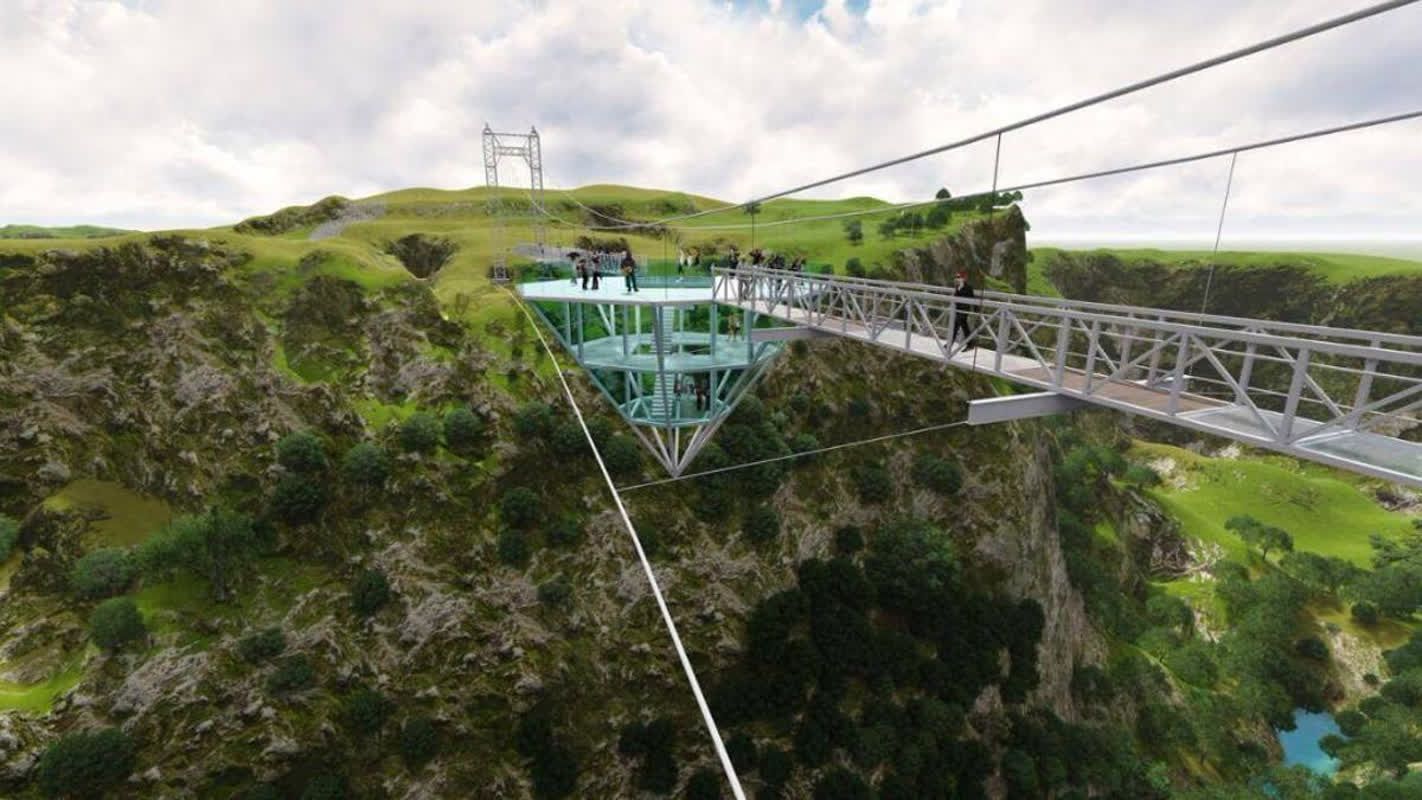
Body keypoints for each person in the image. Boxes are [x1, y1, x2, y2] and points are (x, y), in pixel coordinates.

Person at [952, 270, 976, 347]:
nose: (957, 279)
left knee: (956, 327)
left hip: (964, 310)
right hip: (958, 310)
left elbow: (972, 298)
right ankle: (970, 343)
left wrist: (976, 310)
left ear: (964, 278)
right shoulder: (958, 287)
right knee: (963, 327)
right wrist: (958, 289)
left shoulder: (969, 287)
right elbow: (956, 298)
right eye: (957, 277)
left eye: (959, 277)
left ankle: (951, 343)